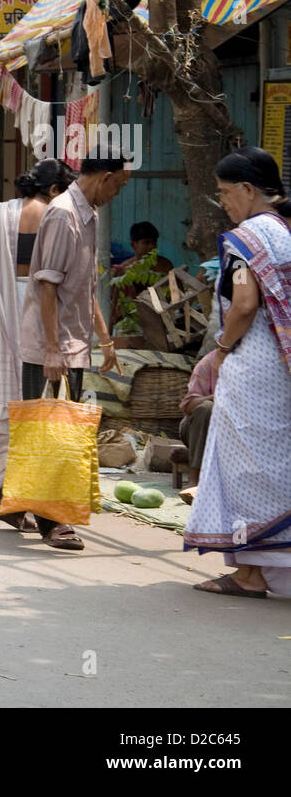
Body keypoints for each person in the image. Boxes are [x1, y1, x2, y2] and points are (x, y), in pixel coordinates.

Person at [184, 147, 291, 598]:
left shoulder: (245, 239)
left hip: (254, 365)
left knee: (244, 468)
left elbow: (244, 304)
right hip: (283, 366)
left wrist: (221, 350)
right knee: (278, 464)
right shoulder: (285, 232)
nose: (222, 202)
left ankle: (249, 574)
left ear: (248, 190)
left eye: (225, 192)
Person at [15, 150, 131, 549]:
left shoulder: (87, 213)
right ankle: (54, 523)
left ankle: (13, 502)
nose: (119, 193)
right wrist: (52, 348)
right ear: (106, 177)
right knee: (56, 435)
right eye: (120, 184)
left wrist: (105, 338)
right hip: (54, 344)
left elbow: (82, 286)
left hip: (70, 342)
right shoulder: (64, 214)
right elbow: (48, 284)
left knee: (51, 429)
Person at [0, 159, 76, 532]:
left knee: (6, 405)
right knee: (42, 403)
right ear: (55, 189)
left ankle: (10, 494)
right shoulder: (56, 217)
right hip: (42, 309)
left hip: (0, 309)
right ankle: (28, 500)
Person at [109, 220, 175, 328]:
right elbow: (116, 303)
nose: (151, 246)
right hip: (132, 321)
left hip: (163, 319)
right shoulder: (124, 269)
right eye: (146, 242)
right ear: (133, 245)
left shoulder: (165, 266)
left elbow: (175, 294)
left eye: (154, 242)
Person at [176, 349, 219, 479]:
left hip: (232, 431)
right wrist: (217, 396)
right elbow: (188, 406)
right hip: (198, 428)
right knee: (206, 408)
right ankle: (195, 477)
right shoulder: (209, 362)